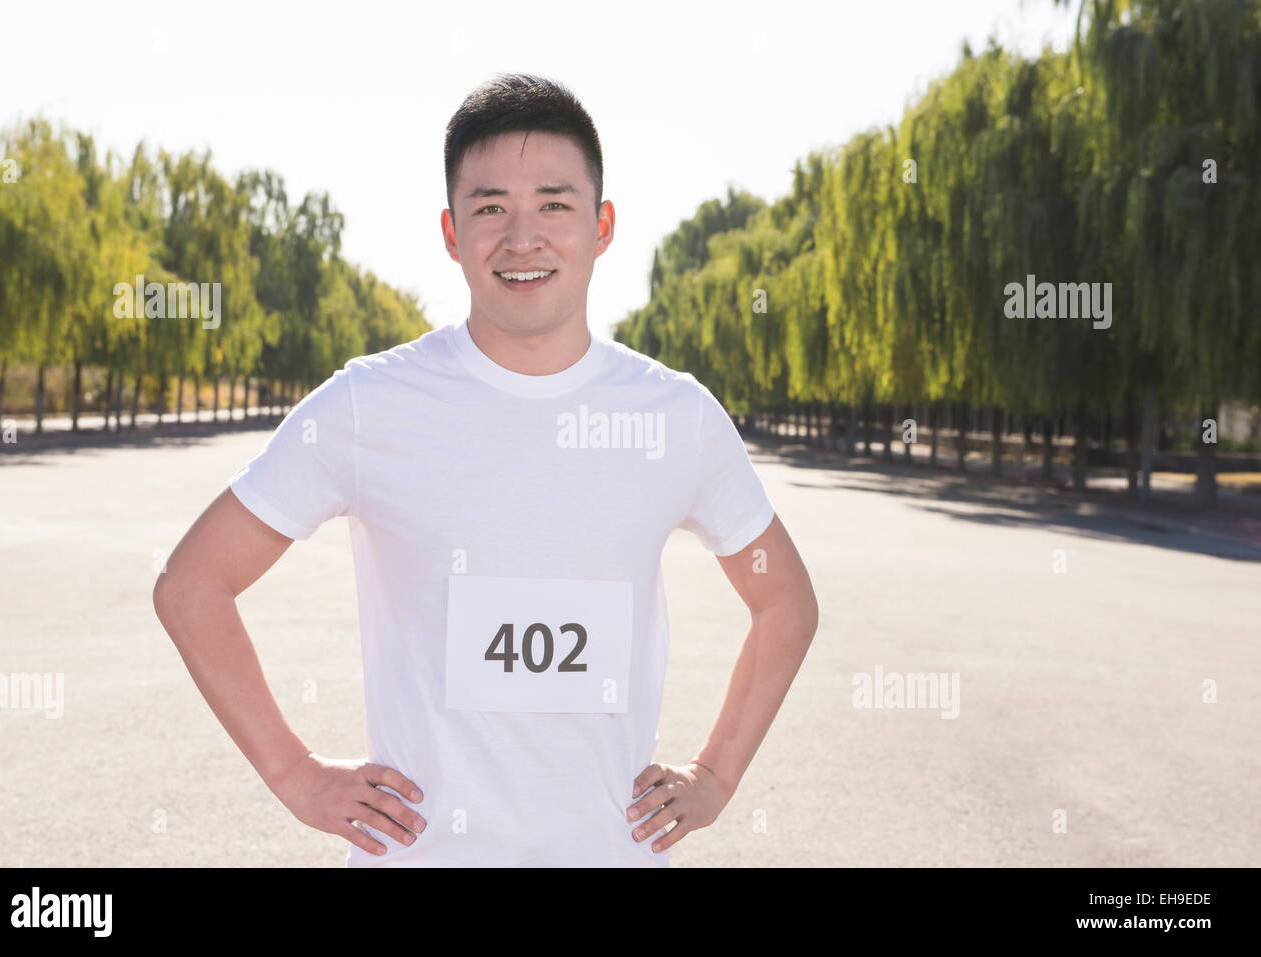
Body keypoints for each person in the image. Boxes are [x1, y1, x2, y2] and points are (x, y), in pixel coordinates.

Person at [152, 72, 819, 867]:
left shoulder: (674, 417)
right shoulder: (369, 404)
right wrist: (295, 775)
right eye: (490, 206)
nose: (522, 237)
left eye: (555, 205)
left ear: (602, 225)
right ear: (450, 229)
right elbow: (192, 585)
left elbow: (785, 603)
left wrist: (714, 775)